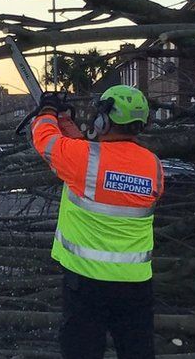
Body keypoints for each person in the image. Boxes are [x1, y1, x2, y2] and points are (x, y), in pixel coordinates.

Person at [30, 85, 164, 359]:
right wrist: (73, 132)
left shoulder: (83, 161)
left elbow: (44, 139)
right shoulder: (154, 166)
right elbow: (106, 167)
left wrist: (47, 111)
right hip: (135, 285)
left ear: (103, 120)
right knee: (137, 352)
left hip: (86, 284)